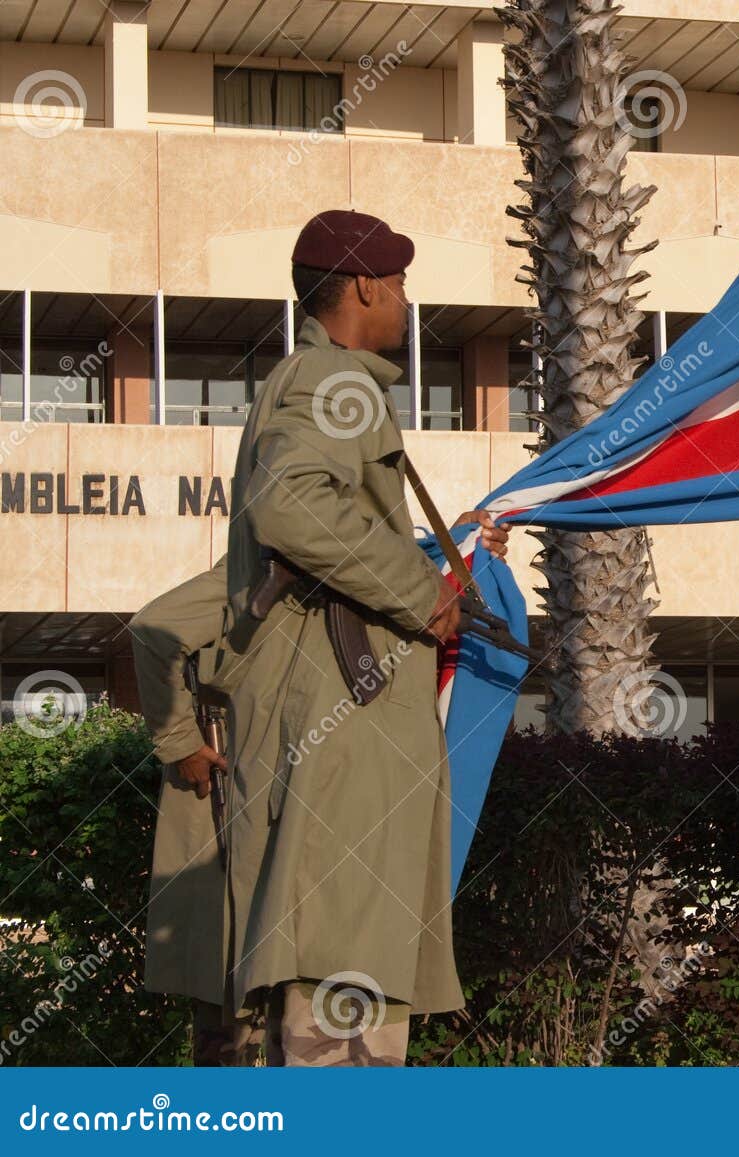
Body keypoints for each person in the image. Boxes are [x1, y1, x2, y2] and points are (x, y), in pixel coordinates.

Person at [131, 209, 509, 1066]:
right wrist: (419, 591)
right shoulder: (337, 381)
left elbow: (299, 529)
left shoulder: (311, 381)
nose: (408, 302)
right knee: (344, 1054)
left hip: (323, 765)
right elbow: (294, 506)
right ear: (368, 286)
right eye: (402, 284)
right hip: (347, 777)